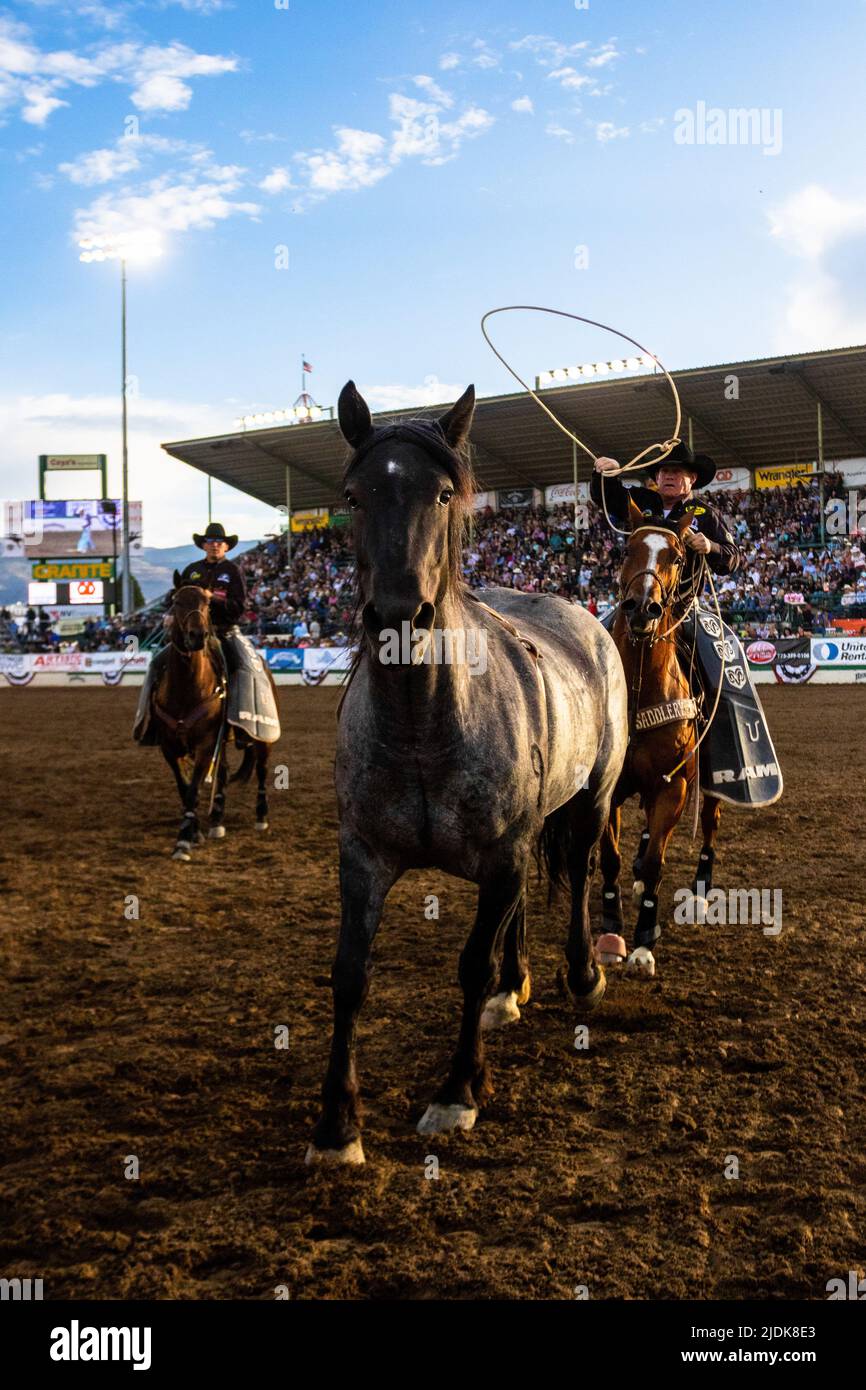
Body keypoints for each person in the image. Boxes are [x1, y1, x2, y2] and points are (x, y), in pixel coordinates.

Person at [589, 441, 781, 810]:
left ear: (691, 479)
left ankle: (720, 753)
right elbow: (606, 497)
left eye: (677, 472)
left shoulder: (704, 513)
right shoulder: (639, 502)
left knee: (720, 666)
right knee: (589, 652)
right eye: (663, 471)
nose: (669, 476)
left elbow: (732, 559)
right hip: (635, 604)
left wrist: (709, 546)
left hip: (682, 609)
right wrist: (603, 471)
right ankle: (582, 760)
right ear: (655, 478)